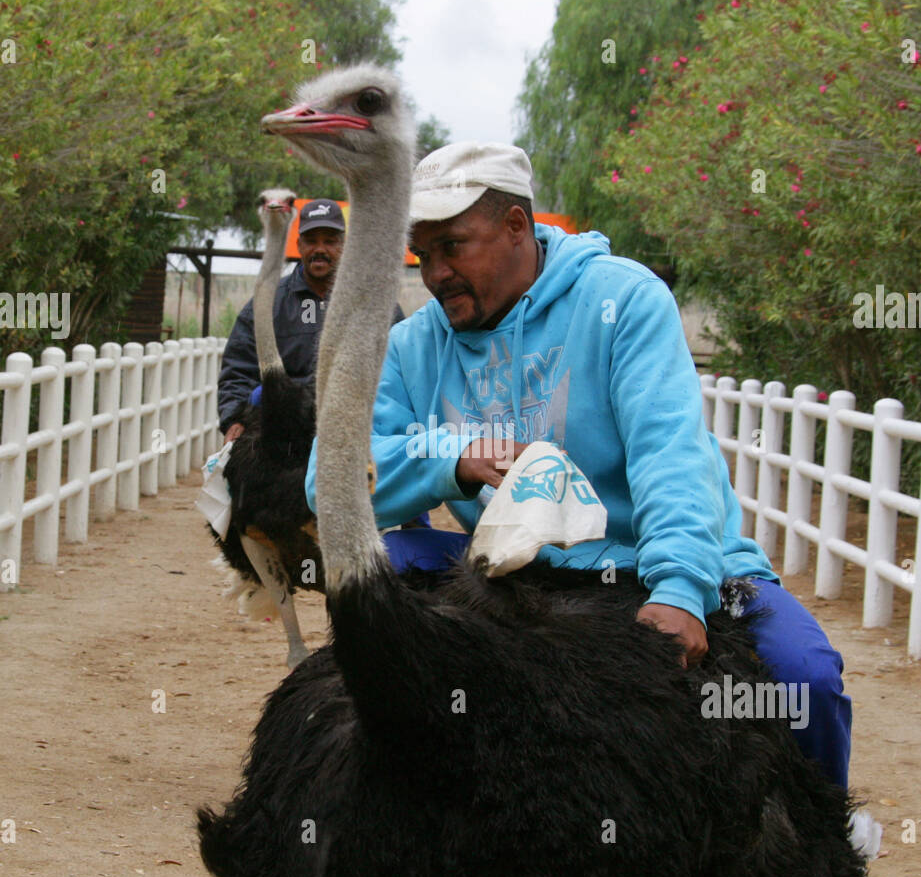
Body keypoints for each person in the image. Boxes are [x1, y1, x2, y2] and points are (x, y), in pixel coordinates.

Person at [305, 143, 851, 787]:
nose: (436, 274)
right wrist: (453, 460)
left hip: (646, 559)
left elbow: (671, 455)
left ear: (516, 226)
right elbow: (327, 483)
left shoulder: (624, 300)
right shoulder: (411, 347)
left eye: (453, 246)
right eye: (423, 255)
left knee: (804, 679)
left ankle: (825, 837)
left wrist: (680, 590)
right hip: (515, 569)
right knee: (382, 575)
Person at [218, 199, 404, 443]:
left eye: (330, 241)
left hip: (356, 435)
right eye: (311, 240)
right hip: (282, 439)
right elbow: (238, 369)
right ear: (299, 245)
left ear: (345, 245)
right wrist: (234, 418)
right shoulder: (268, 304)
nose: (320, 249)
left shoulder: (375, 304)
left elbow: (401, 370)